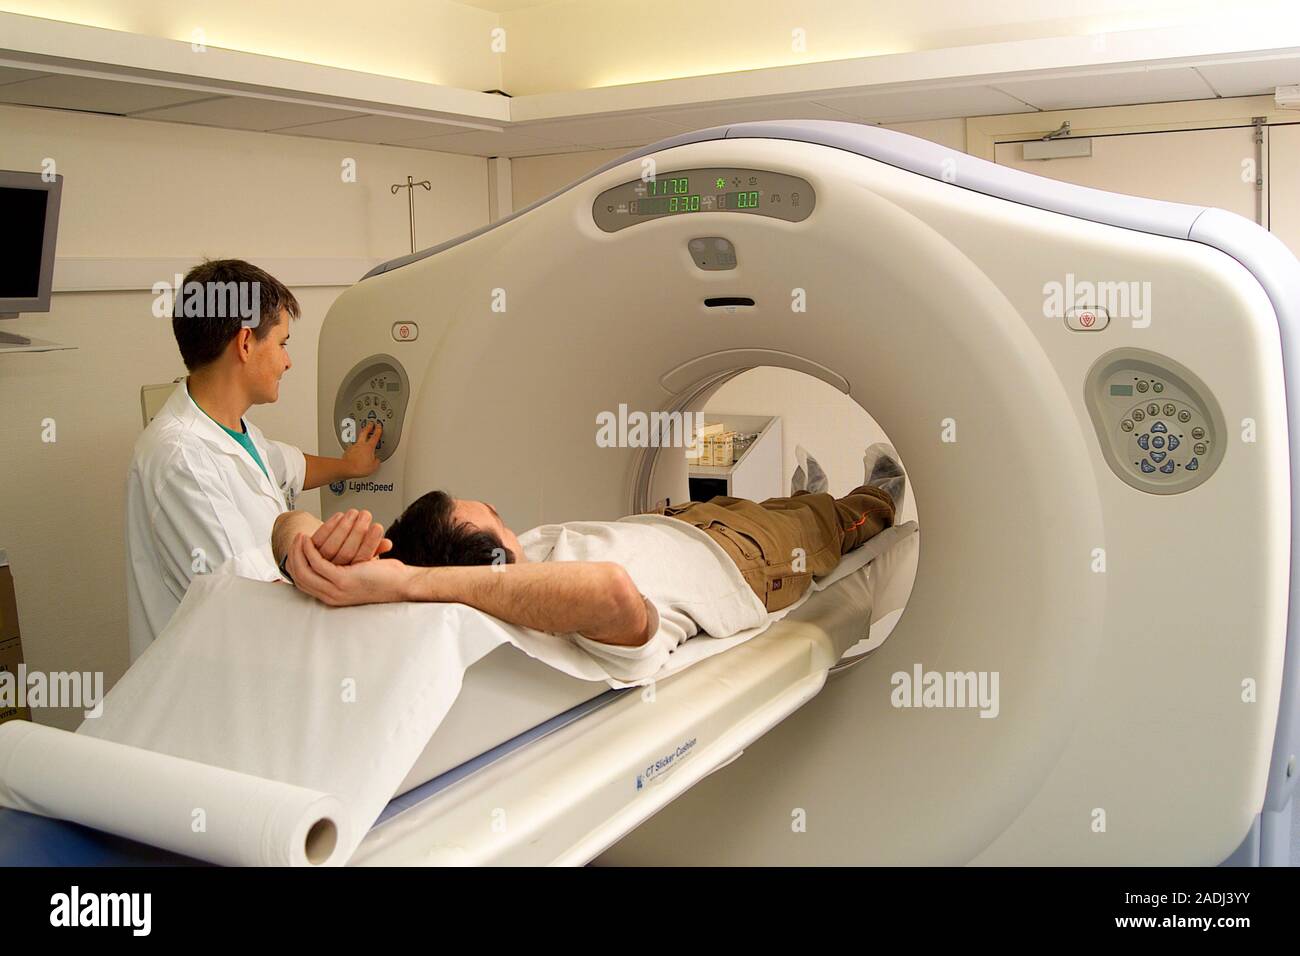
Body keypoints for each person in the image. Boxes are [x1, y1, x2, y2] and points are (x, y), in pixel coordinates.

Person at [270, 445, 906, 677]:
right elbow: (610, 593)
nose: (498, 505)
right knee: (822, 525)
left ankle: (805, 489)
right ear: (494, 559)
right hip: (743, 563)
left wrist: (307, 548)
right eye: (491, 514)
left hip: (678, 526)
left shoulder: (499, 569)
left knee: (762, 500)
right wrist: (408, 580)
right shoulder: (548, 607)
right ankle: (874, 496)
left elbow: (283, 520)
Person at [126, 259, 383, 661]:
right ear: (245, 343)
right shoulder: (182, 460)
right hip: (213, 685)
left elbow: (289, 465)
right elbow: (252, 600)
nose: (287, 361)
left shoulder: (234, 429)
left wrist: (350, 465)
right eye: (282, 343)